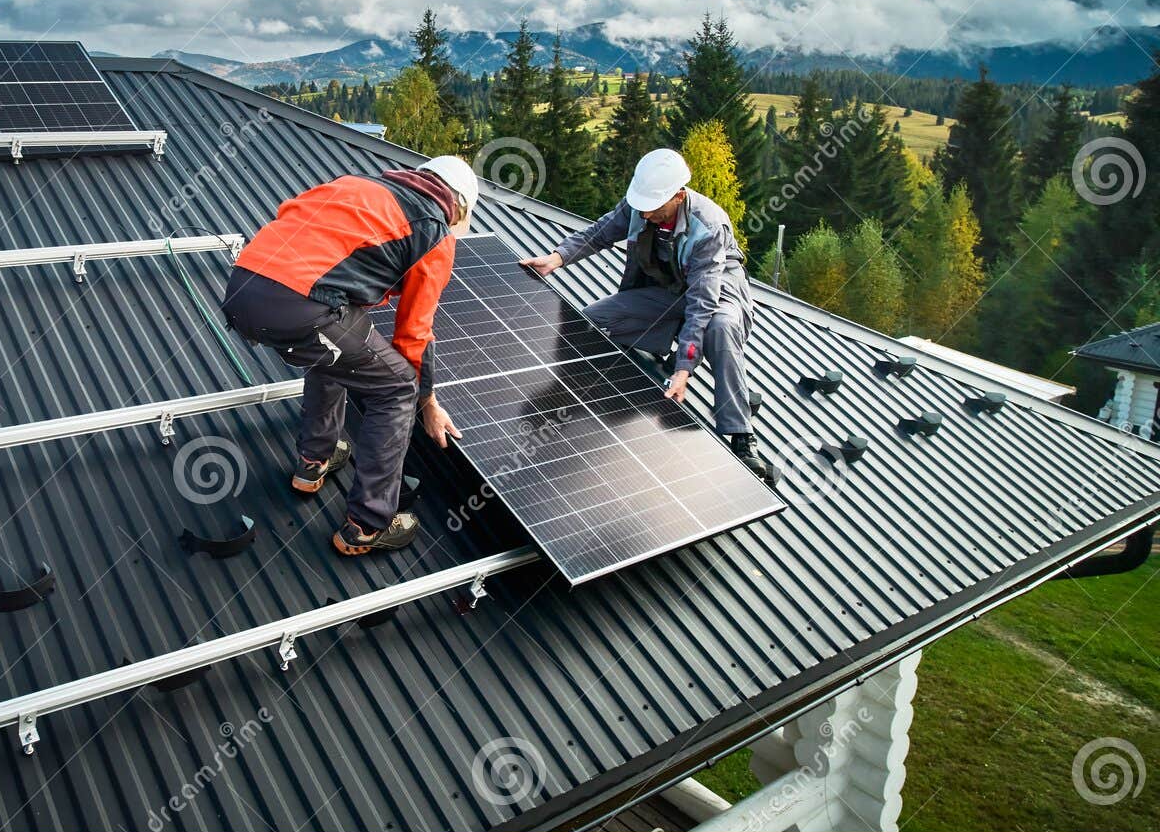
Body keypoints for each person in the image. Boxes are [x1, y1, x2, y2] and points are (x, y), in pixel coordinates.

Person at [221, 156, 479, 554]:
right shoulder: (434, 232)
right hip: (299, 305)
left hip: (241, 287)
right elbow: (414, 332)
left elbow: (290, 218)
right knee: (396, 387)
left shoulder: (353, 185)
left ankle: (314, 461)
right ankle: (368, 524)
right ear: (457, 206)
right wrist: (426, 398)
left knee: (341, 351)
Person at [520, 147, 769, 479]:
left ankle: (741, 433)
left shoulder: (708, 227)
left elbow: (702, 304)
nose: (646, 214)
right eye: (643, 208)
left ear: (679, 196)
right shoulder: (640, 206)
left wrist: (684, 369)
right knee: (593, 320)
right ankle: (658, 349)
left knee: (720, 330)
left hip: (716, 293)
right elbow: (599, 233)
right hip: (668, 290)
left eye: (654, 209)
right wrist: (557, 257)